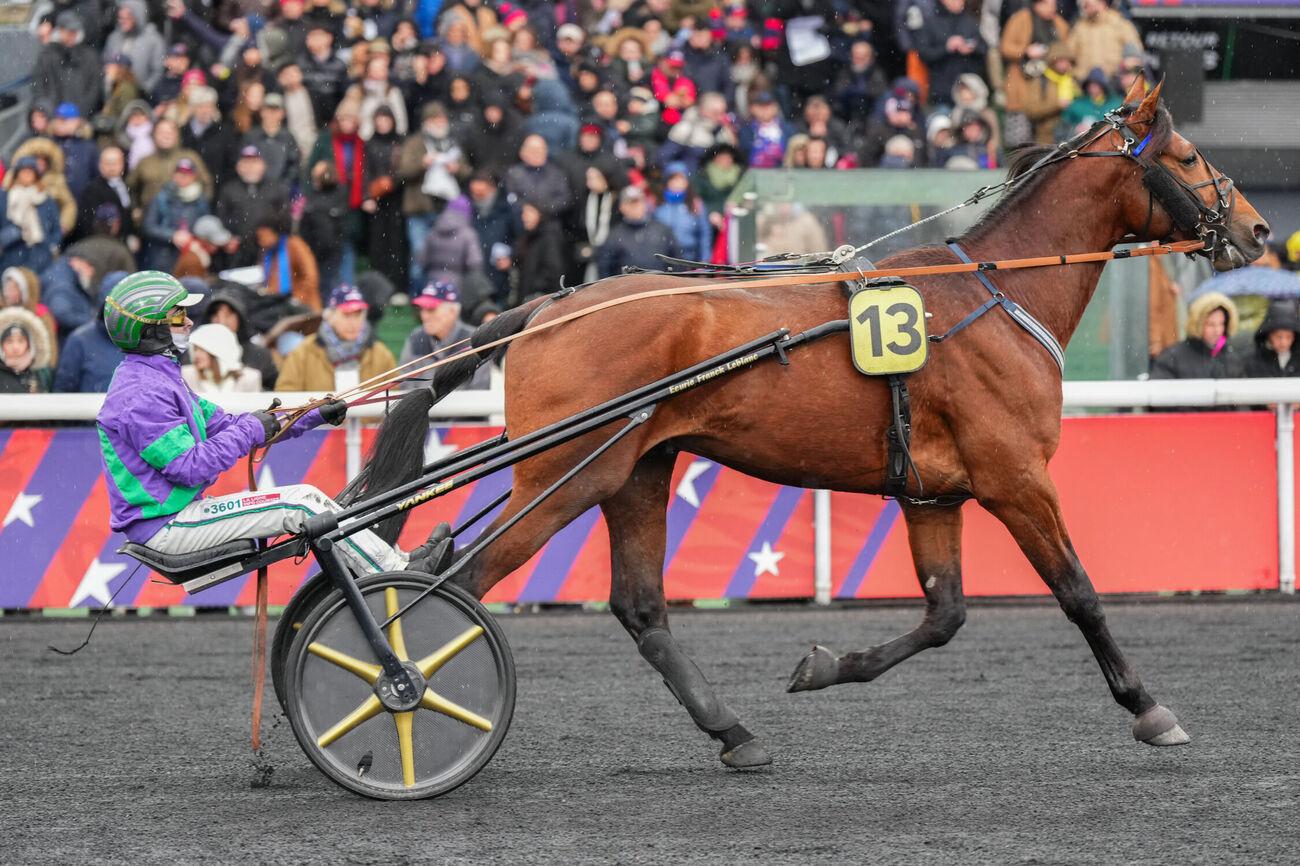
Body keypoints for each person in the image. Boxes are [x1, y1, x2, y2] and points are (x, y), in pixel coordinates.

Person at [95, 271, 449, 577]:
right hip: (166, 527)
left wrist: (312, 415)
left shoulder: (160, 379)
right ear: (149, 330)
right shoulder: (140, 394)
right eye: (177, 318)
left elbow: (230, 424)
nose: (189, 323)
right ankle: (395, 572)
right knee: (302, 502)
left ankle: (395, 561)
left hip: (178, 517)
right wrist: (253, 429)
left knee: (309, 500)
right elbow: (189, 467)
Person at [276, 283, 396, 392]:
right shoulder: (303, 352)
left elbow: (395, 396)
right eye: (346, 315)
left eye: (358, 315)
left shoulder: (381, 354)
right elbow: (286, 394)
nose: (353, 322)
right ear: (330, 316)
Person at [399, 280, 489, 389]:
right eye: (422, 309)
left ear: (452, 312)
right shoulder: (415, 339)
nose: (424, 316)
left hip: (464, 406)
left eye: (431, 309)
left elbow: (479, 391)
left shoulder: (475, 341)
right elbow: (405, 386)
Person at [54, 271, 126, 392]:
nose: (123, 314)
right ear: (104, 307)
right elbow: (63, 391)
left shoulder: (148, 341)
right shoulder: (80, 340)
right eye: (116, 307)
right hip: (92, 410)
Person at [1150, 291, 1243, 381]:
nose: (1217, 330)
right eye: (1211, 324)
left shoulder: (1232, 359)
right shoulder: (1172, 358)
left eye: (1221, 324)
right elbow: (1160, 391)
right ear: (1198, 324)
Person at [202, 285, 279, 389]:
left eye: (228, 315)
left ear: (240, 318)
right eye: (216, 315)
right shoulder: (198, 353)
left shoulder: (259, 356)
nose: (221, 322)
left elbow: (275, 391)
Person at [141, 158, 211, 272]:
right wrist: (172, 235)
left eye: (187, 174)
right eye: (180, 173)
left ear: (194, 176)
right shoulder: (160, 198)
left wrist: (195, 241)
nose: (183, 177)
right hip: (163, 256)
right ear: (174, 175)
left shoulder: (200, 200)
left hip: (189, 255)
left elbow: (205, 225)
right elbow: (148, 226)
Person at [597, 186, 679, 278]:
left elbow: (676, 261)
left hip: (660, 288)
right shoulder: (614, 236)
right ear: (621, 207)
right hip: (627, 290)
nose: (635, 207)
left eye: (638, 202)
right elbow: (605, 269)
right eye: (630, 203)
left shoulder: (662, 230)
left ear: (645, 204)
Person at [0, 158, 63, 275]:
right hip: (11, 253)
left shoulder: (44, 198)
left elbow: (56, 226)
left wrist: (52, 245)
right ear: (17, 174)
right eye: (24, 171)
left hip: (40, 254)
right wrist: (12, 234)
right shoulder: (5, 197)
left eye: (31, 171)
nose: (27, 175)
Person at [256, 211, 321, 312]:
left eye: (264, 236)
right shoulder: (267, 253)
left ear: (274, 232)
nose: (261, 240)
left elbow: (310, 275)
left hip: (304, 305)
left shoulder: (295, 245)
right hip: (281, 305)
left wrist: (298, 298)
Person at [1066, 0, 1142, 82]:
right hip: (1084, 83)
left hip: (1114, 83)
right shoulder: (1079, 27)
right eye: (1085, 4)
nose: (1084, 4)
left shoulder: (1120, 24)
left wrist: (1126, 70)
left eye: (1089, 3)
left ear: (1102, 3)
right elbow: (1068, 54)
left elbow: (1135, 53)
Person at [102, 0, 166, 96]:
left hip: (141, 97)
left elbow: (158, 71)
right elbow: (105, 63)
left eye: (127, 18)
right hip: (114, 96)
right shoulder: (114, 38)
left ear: (137, 17)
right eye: (120, 18)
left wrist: (144, 91)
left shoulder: (153, 40)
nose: (123, 21)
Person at [181, 322, 263, 393]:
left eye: (202, 350)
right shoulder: (187, 376)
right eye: (195, 349)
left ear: (220, 351)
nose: (196, 355)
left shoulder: (249, 378)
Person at [0, 306, 54, 393]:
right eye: (9, 341)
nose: (15, 347)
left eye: (21, 341)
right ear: (1, 346)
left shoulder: (39, 374)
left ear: (29, 345)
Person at [1243, 301, 1300, 378]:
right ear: (1269, 335)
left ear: (1295, 336)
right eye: (1279, 336)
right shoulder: (1254, 360)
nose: (1284, 342)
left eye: (1289, 337)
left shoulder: (1297, 357)